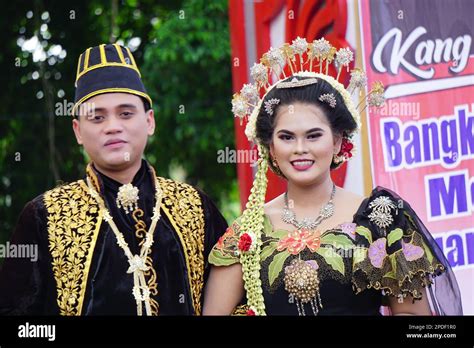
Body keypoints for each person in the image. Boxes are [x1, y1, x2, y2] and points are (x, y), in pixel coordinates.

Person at [202, 37, 462, 316]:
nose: (300, 148)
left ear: (338, 141)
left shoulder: (380, 218)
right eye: (286, 137)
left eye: (314, 135)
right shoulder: (248, 232)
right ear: (271, 149)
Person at [0, 43, 227, 315]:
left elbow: (238, 298)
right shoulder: (44, 215)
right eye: (97, 117)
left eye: (126, 113)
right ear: (78, 131)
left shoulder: (195, 207)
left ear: (150, 121)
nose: (112, 127)